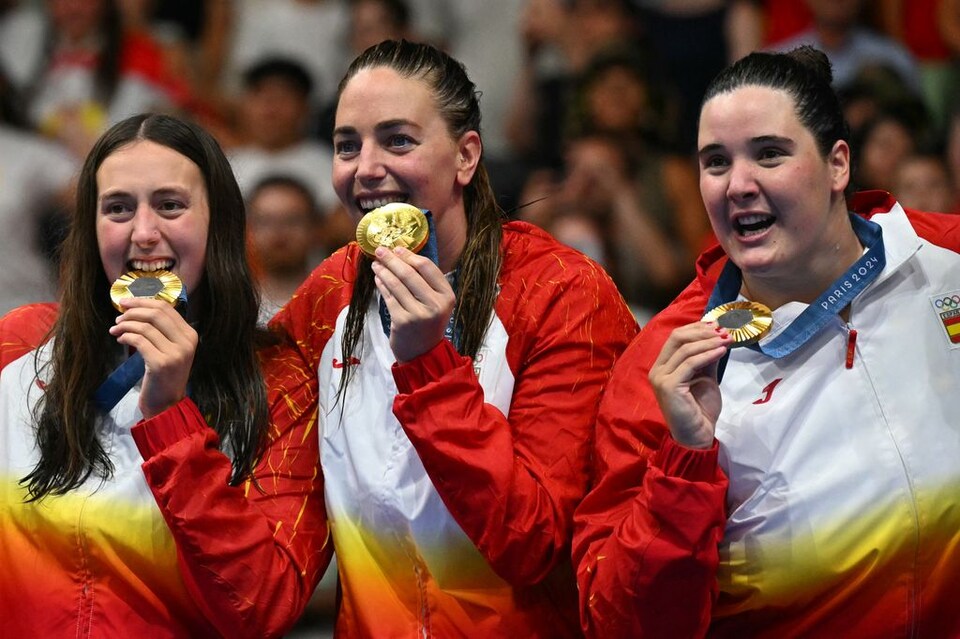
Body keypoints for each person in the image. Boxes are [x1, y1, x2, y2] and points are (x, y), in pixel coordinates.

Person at [573, 45, 960, 637]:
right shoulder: (665, 369)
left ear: (837, 164)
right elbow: (622, 623)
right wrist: (685, 462)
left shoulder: (945, 259)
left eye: (770, 154)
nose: (738, 185)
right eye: (716, 162)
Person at [270, 39, 637, 636]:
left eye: (398, 140)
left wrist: (429, 366)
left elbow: (534, 544)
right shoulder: (329, 294)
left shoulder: (562, 293)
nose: (366, 168)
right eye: (347, 145)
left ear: (465, 156)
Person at [0, 113, 328, 637]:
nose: (144, 233)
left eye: (171, 205)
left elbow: (261, 610)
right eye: (118, 208)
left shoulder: (280, 383)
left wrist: (171, 419)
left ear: (219, 223)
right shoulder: (22, 345)